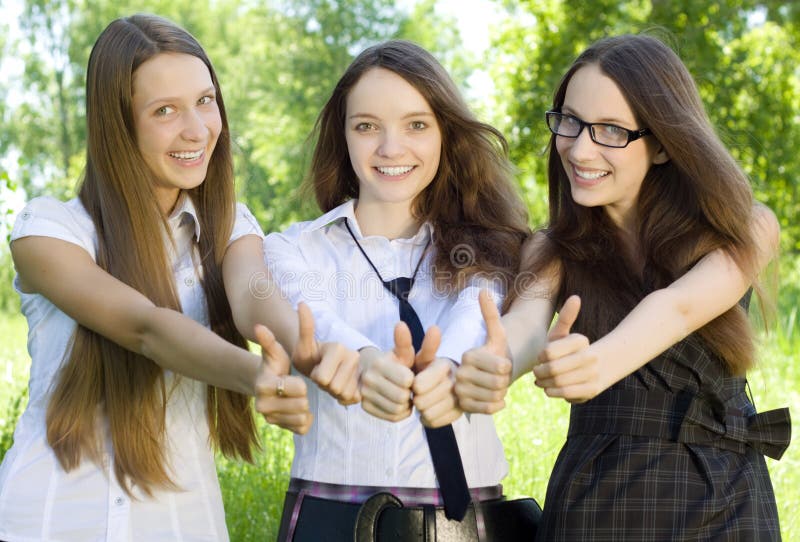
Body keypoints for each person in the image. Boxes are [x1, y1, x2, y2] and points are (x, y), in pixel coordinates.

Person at [456, 34, 791, 541]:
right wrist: (497, 364)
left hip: (730, 503)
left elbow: (678, 307)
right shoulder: (552, 249)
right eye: (570, 121)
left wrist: (599, 363)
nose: (579, 147)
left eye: (610, 129)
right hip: (603, 503)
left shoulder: (746, 229)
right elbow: (524, 327)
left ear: (662, 144)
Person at [0, 14, 318, 541]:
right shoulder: (49, 231)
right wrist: (254, 375)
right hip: (48, 521)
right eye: (164, 110)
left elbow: (252, 294)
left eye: (205, 100)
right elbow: (145, 327)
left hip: (183, 525)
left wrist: (309, 349)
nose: (196, 129)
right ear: (117, 124)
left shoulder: (229, 223)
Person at [264, 40, 541, 541]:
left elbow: (476, 313)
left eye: (416, 125)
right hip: (330, 522)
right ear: (342, 136)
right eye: (367, 126)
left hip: (467, 527)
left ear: (445, 135)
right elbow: (316, 319)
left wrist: (448, 370)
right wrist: (364, 360)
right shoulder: (292, 250)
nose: (391, 148)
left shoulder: (493, 250)